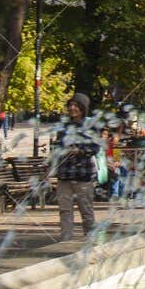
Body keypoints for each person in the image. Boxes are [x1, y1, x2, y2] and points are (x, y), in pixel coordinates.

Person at [53, 93, 100, 241]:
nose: (72, 108)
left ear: (83, 108)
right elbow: (57, 146)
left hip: (83, 174)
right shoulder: (64, 126)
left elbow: (95, 147)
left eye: (76, 105)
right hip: (65, 174)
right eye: (70, 105)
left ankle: (91, 239)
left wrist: (79, 151)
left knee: (85, 209)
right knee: (64, 209)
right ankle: (65, 239)